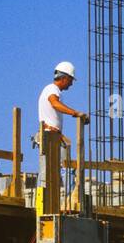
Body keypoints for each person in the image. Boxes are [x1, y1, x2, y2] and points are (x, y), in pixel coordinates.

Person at [37, 61, 88, 198]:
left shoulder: (50, 89)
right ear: (64, 78)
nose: (71, 84)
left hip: (53, 135)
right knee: (59, 168)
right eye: (70, 80)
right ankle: (69, 197)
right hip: (49, 136)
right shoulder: (52, 89)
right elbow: (54, 103)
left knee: (51, 169)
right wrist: (75, 113)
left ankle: (52, 198)